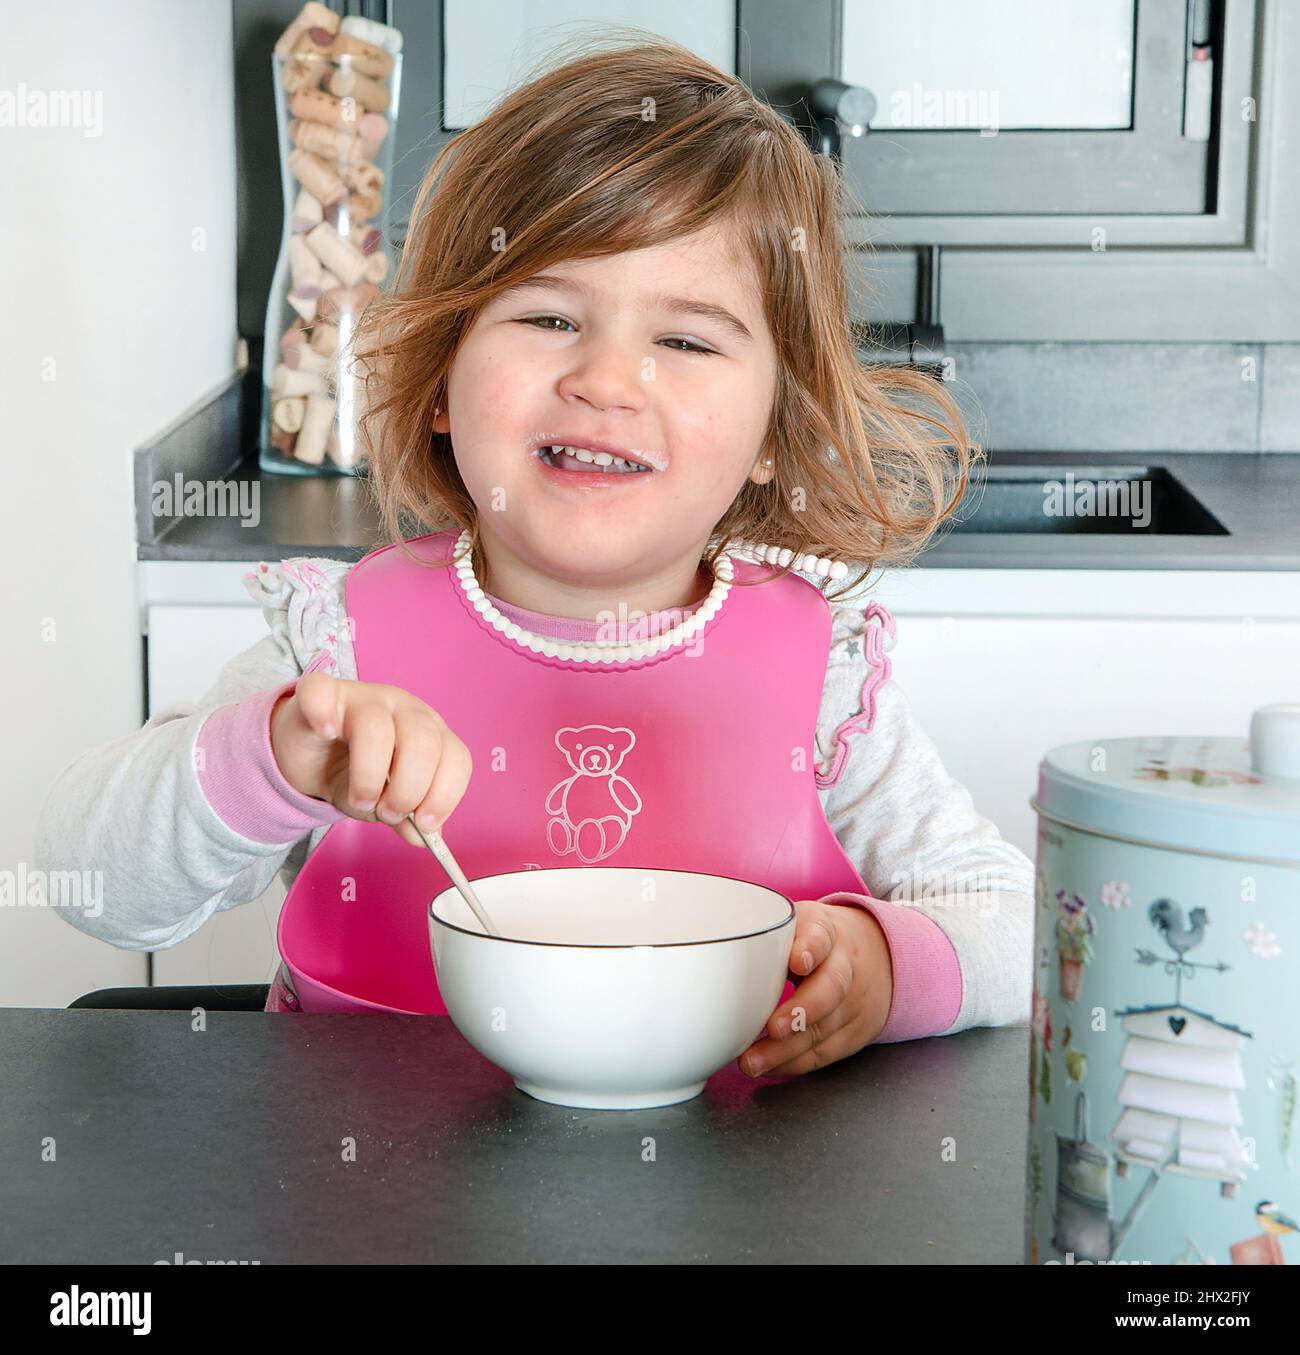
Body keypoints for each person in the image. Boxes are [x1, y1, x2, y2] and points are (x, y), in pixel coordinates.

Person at [37, 34, 1033, 1080]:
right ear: (435, 381)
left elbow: (1008, 920)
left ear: (775, 432)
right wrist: (274, 758)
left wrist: (888, 964)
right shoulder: (334, 655)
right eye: (549, 316)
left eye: (687, 341)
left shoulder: (823, 676)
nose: (606, 377)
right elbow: (88, 881)